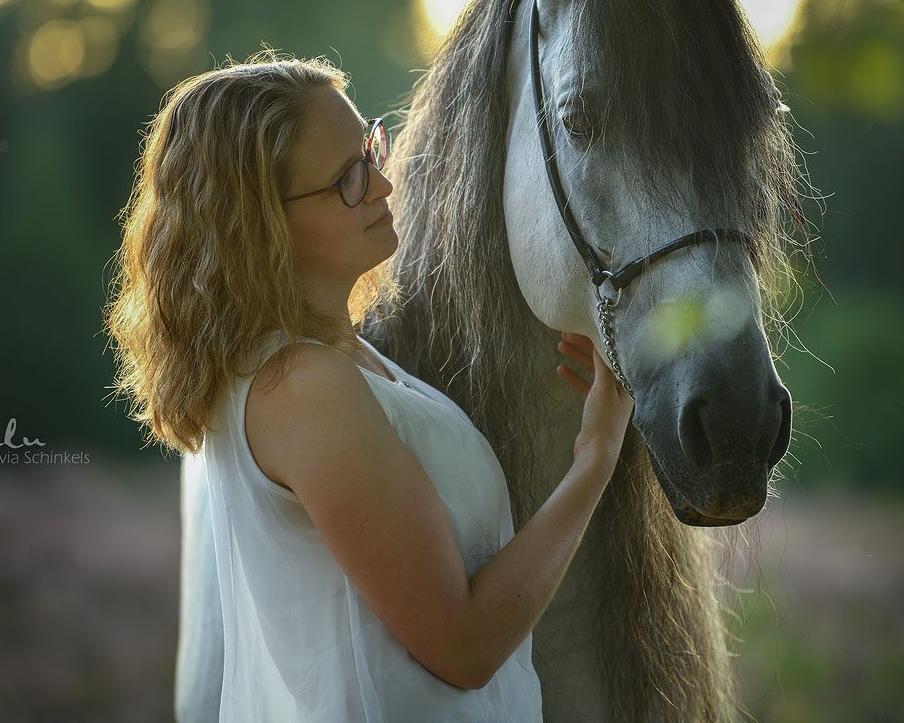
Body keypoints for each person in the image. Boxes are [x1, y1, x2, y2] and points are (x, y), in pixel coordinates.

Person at [104, 54, 633, 722]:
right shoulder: (300, 388)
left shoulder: (343, 362)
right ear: (260, 222)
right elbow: (463, 647)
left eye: (371, 149)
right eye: (345, 180)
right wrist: (595, 460)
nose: (382, 185)